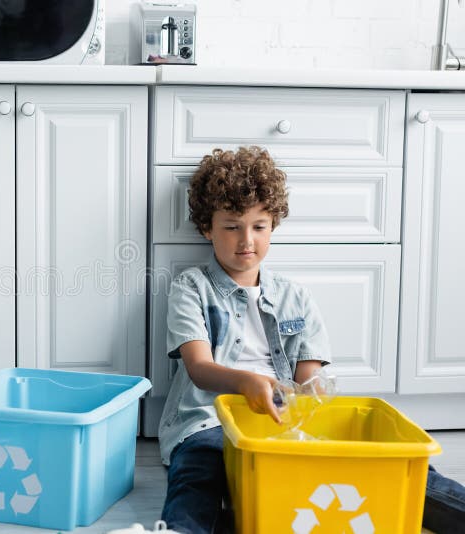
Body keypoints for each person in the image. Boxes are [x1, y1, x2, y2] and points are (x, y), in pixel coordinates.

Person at [157, 146, 465, 534]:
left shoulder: (294, 296)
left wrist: (314, 391)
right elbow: (199, 369)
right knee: (196, 481)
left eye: (259, 226)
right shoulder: (191, 287)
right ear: (207, 228)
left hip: (285, 421)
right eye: (231, 226)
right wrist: (247, 382)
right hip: (209, 422)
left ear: (273, 226)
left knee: (401, 474)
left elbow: (308, 379)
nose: (246, 240)